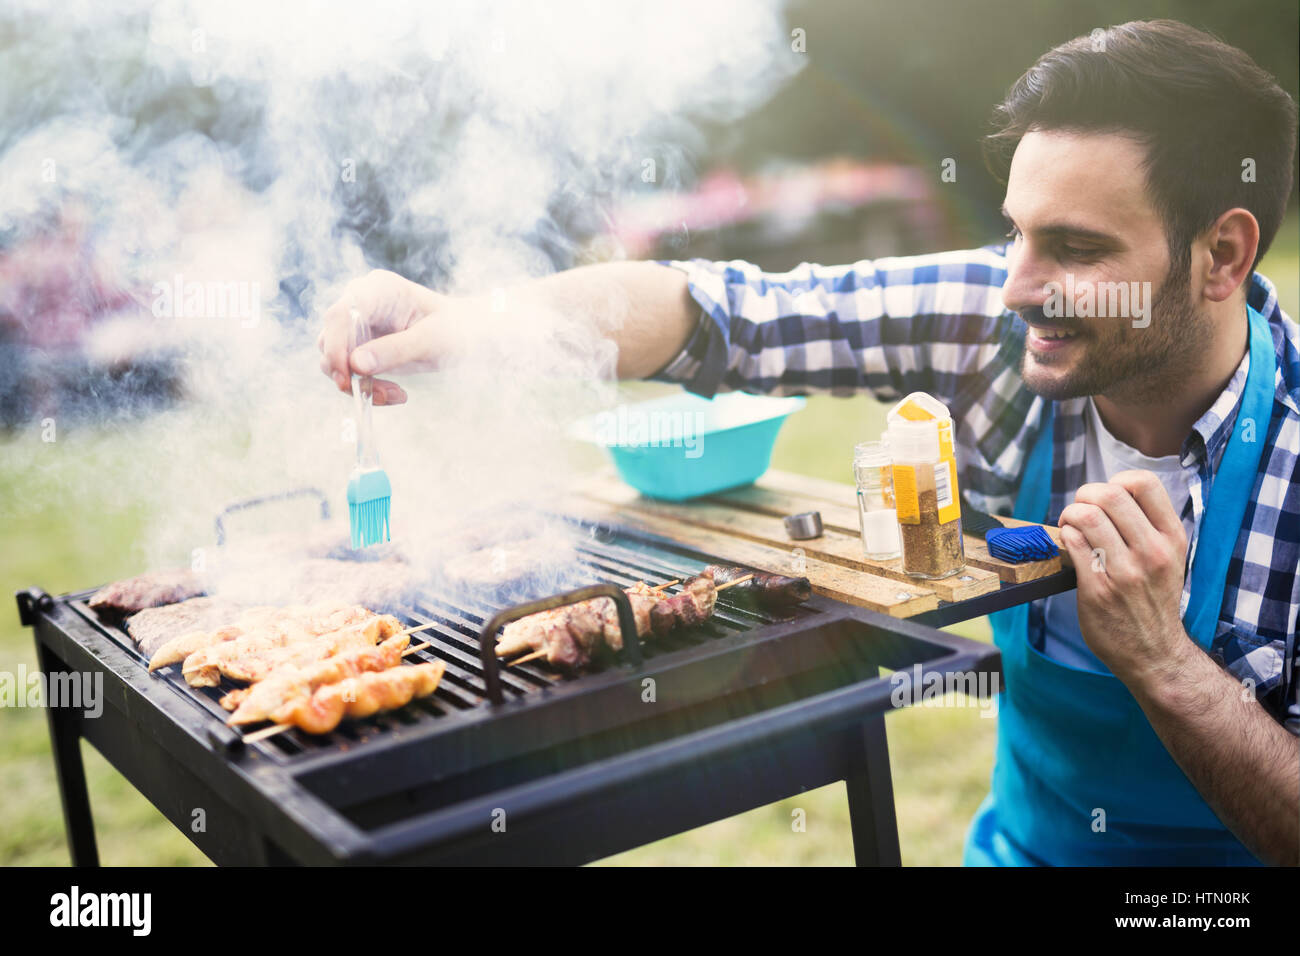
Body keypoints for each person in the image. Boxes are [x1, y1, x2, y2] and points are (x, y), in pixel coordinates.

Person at [319, 20, 1299, 865]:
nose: (1014, 286)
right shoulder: (994, 320)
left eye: (1075, 249)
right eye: (1016, 236)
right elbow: (721, 313)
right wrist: (474, 319)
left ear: (1221, 254)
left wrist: (1165, 664)